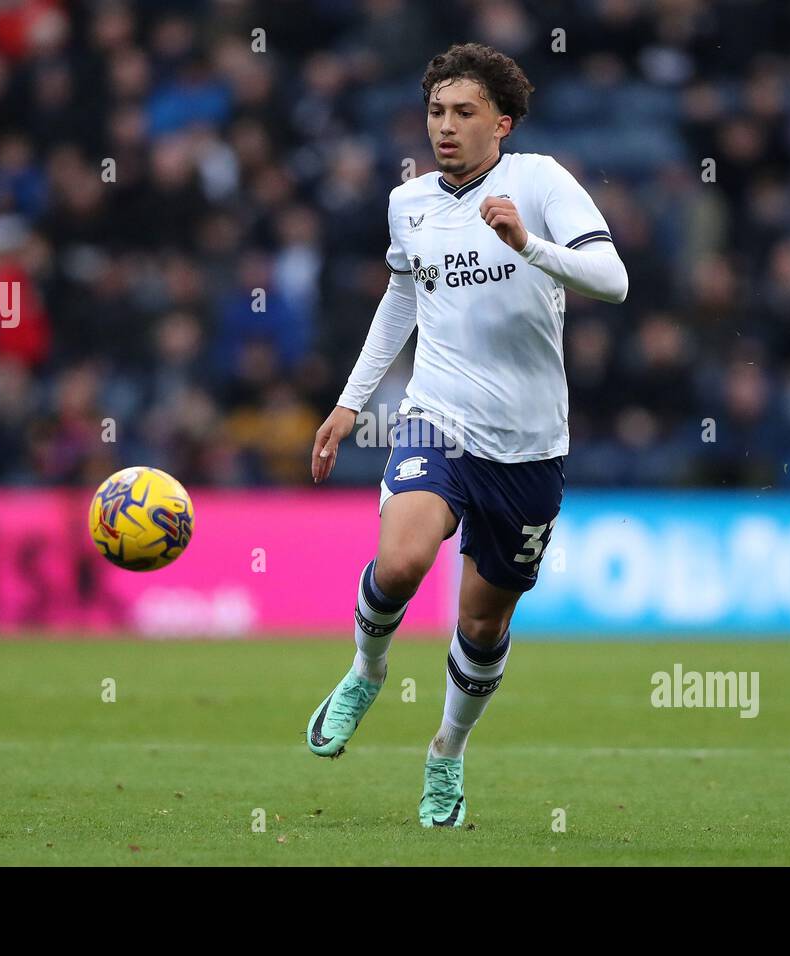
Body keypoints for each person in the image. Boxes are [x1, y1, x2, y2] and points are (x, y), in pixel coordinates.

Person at [306, 42, 628, 827]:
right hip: (437, 418)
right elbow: (400, 298)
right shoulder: (408, 203)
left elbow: (613, 281)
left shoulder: (541, 182)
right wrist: (351, 402)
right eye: (435, 112)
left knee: (483, 625)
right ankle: (366, 670)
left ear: (502, 123)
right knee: (404, 559)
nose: (444, 127)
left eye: (463, 113)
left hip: (529, 447)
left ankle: (446, 754)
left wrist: (530, 247)